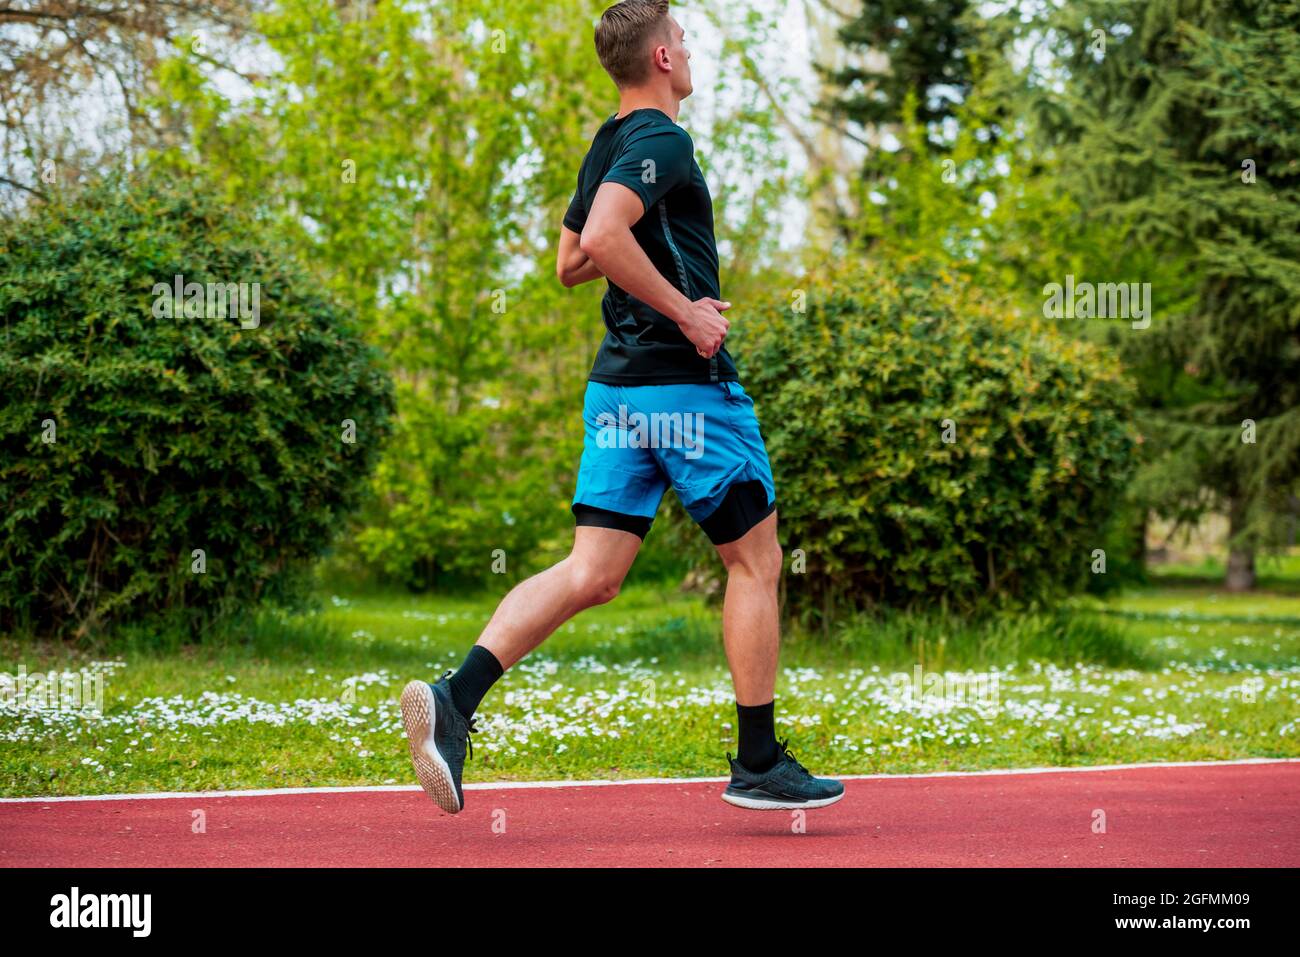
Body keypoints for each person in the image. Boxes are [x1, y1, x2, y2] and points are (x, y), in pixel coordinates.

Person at [400, 0, 844, 813]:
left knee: (592, 572)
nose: (691, 48)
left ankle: (455, 700)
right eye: (685, 38)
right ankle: (756, 759)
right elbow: (601, 240)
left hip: (618, 393)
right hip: (687, 391)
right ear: (664, 58)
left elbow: (570, 261)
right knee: (755, 561)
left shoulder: (610, 141)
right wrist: (689, 311)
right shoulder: (663, 140)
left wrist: (641, 273)